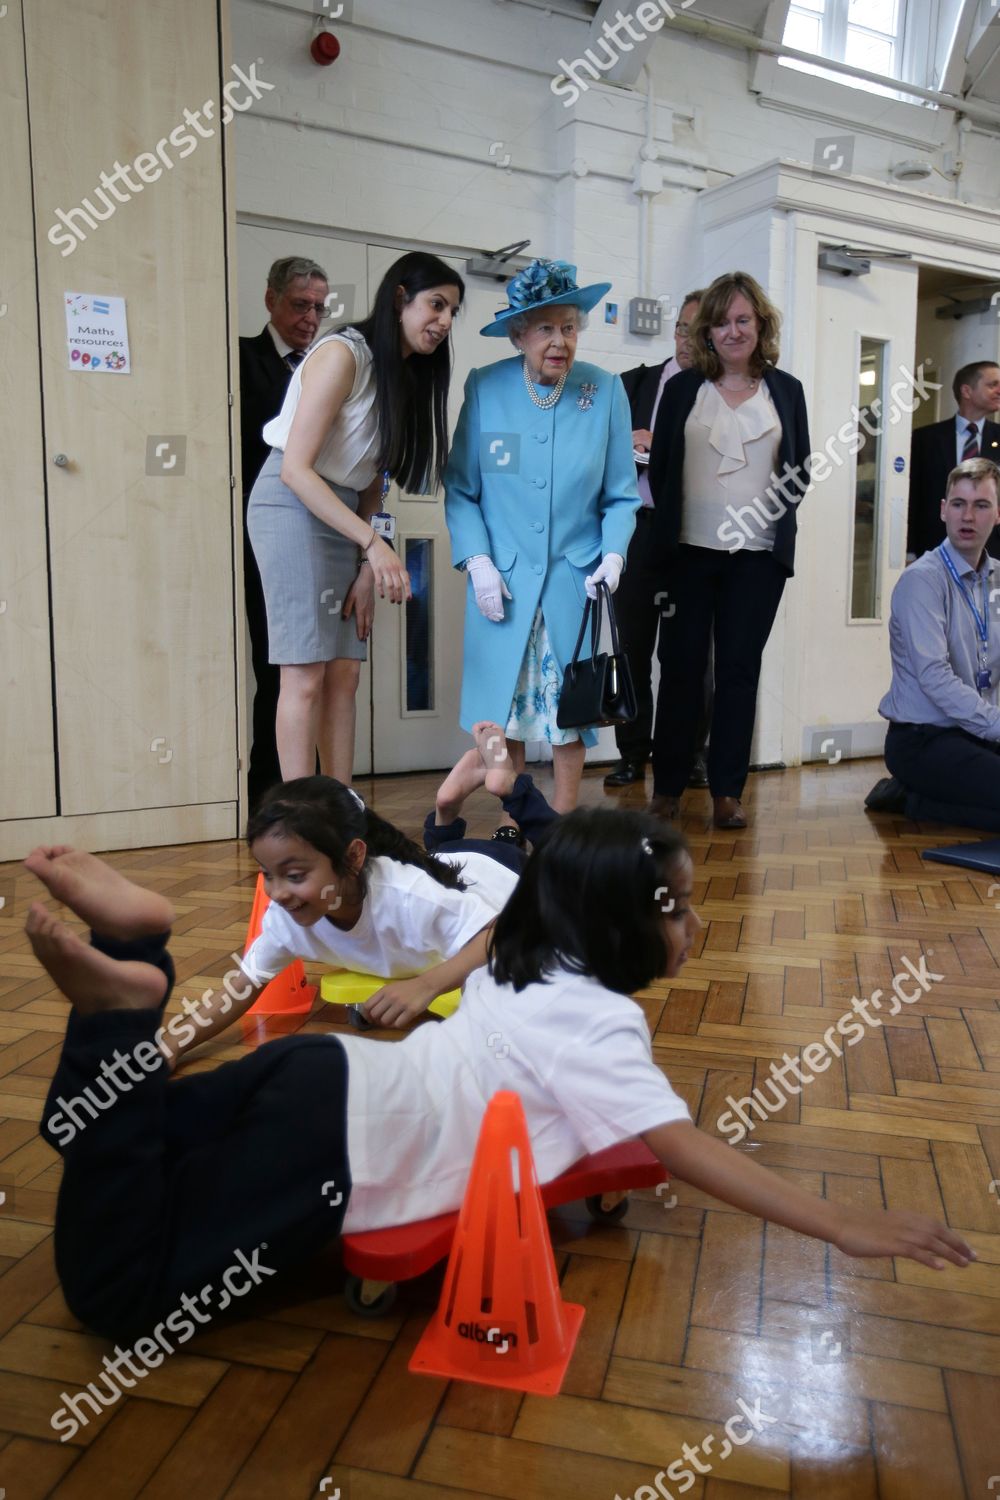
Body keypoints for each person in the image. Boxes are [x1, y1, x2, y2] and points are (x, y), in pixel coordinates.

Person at [27, 819, 973, 1346]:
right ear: (613, 927)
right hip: (341, 1148)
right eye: (673, 909)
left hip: (317, 1070)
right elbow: (682, 1150)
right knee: (116, 1292)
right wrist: (841, 1222)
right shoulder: (603, 1019)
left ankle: (130, 945)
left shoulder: (524, 958)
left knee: (94, 1129)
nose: (694, 929)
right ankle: (117, 1005)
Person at [248, 252, 464, 784]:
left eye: (453, 312)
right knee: (304, 675)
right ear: (399, 298)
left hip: (346, 512)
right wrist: (371, 544)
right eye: (436, 304)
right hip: (292, 504)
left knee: (344, 675)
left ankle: (341, 808)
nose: (444, 321)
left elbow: (373, 483)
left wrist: (370, 567)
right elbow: (296, 470)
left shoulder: (404, 376)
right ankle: (302, 818)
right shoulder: (345, 353)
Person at [445, 259, 641, 822]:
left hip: (571, 581)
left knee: (567, 717)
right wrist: (478, 560)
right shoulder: (487, 388)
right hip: (501, 581)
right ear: (519, 334)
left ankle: (560, 831)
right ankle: (513, 825)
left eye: (570, 327)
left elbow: (621, 495)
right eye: (546, 329)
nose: (560, 342)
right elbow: (462, 490)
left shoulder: (603, 391)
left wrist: (613, 553)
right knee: (500, 718)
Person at [647, 271, 810, 830]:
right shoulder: (682, 388)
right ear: (707, 332)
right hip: (689, 553)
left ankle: (727, 793)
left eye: (744, 319)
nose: (733, 330)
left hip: (759, 557)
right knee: (681, 669)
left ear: (760, 325)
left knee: (740, 672)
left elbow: (799, 471)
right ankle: (667, 788)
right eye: (722, 321)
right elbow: (663, 468)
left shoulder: (786, 390)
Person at [605, 289, 710, 791]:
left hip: (695, 537)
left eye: (701, 330)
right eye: (684, 328)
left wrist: (666, 448)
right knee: (632, 650)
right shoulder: (633, 385)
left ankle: (688, 755)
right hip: (638, 532)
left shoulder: (719, 393)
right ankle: (631, 756)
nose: (690, 339)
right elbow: (597, 458)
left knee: (688, 655)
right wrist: (627, 447)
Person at [240, 256, 330, 809]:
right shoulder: (241, 360)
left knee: (319, 670)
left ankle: (315, 797)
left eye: (319, 307)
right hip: (266, 530)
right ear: (271, 300)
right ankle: (271, 802)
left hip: (323, 530)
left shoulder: (327, 363)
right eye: (300, 305)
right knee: (277, 668)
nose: (310, 317)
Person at [873, 458, 1000, 830]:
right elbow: (934, 677)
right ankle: (913, 799)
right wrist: (995, 724)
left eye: (981, 506)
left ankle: (928, 796)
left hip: (975, 732)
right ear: (944, 510)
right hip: (923, 740)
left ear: (997, 514)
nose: (968, 517)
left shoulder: (997, 581)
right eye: (958, 504)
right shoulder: (923, 582)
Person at [908, 361, 1000, 560]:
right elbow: (914, 496)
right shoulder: (925, 438)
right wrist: (909, 551)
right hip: (934, 550)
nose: (999, 391)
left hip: (992, 552)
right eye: (992, 385)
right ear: (966, 391)